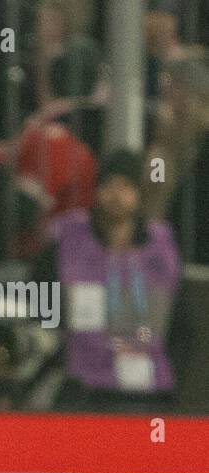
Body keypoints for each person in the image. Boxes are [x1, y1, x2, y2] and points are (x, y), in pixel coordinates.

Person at [33, 149, 182, 412]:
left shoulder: (160, 249)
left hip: (150, 390)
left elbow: (182, 319)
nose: (116, 195)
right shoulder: (70, 240)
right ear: (97, 190)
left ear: (138, 193)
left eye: (126, 186)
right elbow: (38, 300)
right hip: (84, 389)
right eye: (109, 185)